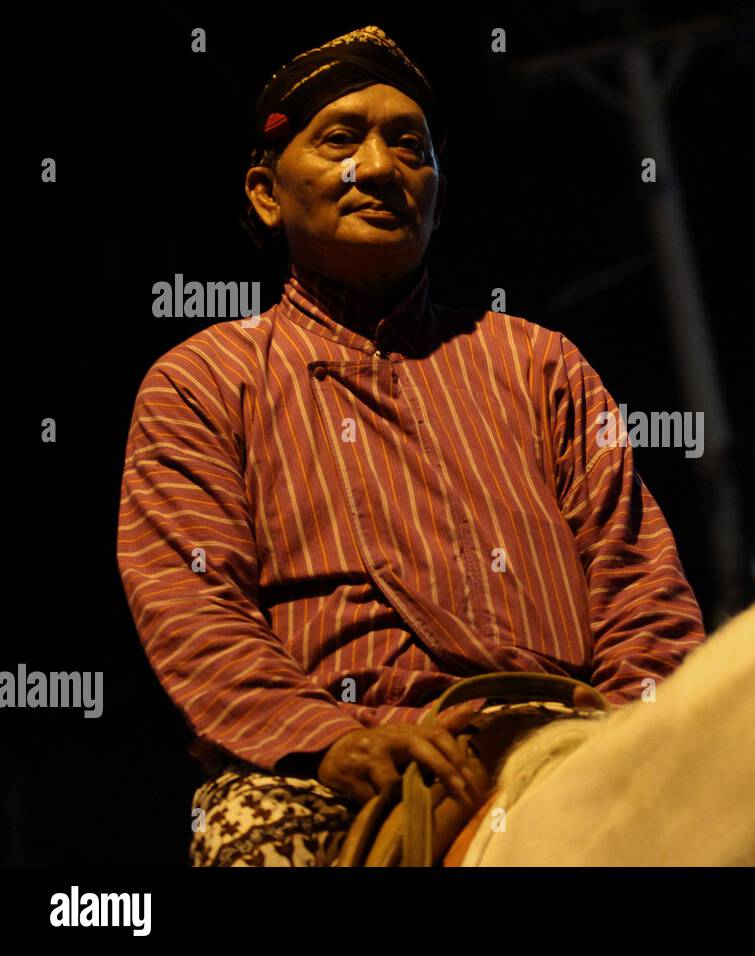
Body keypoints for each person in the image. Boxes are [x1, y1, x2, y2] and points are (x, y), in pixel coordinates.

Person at [116, 25, 707, 866]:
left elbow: (641, 582)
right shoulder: (203, 380)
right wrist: (330, 741)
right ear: (264, 193)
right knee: (256, 845)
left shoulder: (541, 363)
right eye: (340, 138)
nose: (383, 167)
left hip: (572, 738)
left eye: (411, 146)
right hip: (328, 769)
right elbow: (194, 611)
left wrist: (635, 736)